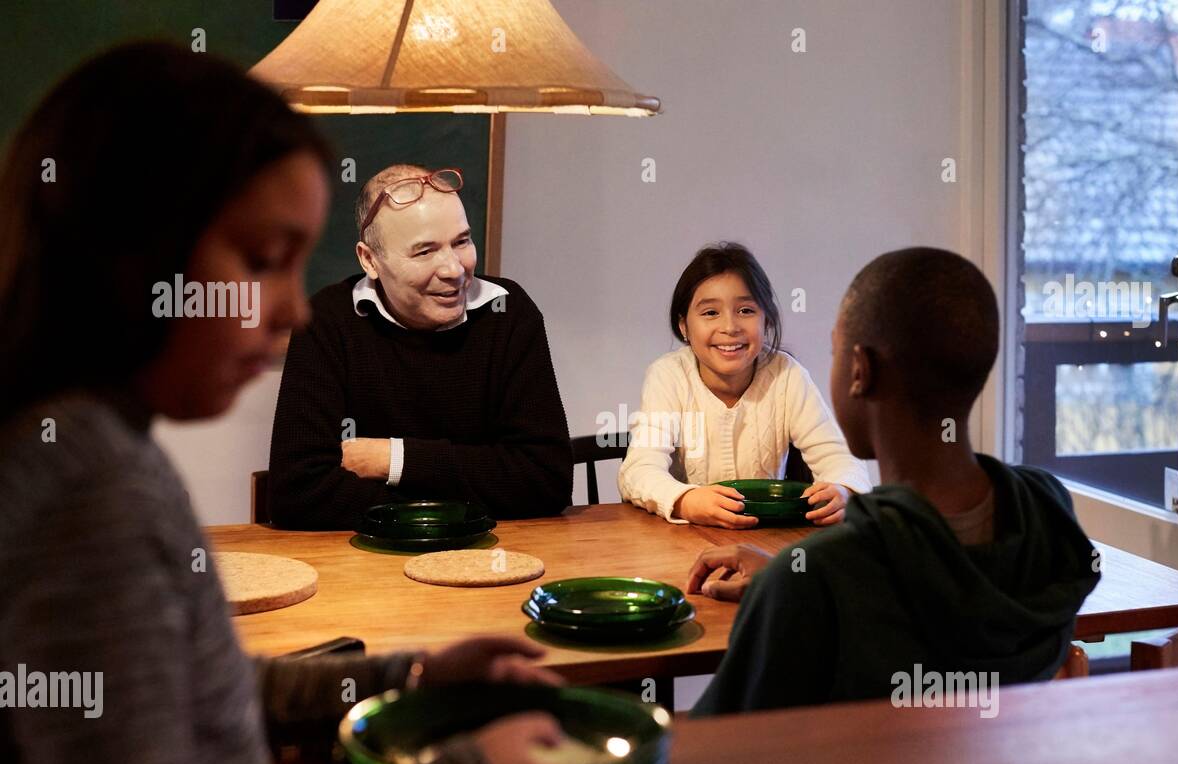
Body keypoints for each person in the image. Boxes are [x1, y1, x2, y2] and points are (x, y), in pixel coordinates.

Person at [0, 41, 631, 764]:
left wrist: (408, 681)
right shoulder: (86, 495)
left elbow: (196, 688)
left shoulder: (86, 447)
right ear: (137, 251)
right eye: (264, 260)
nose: (297, 309)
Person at [686, 247, 1101, 715]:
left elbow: (714, 748)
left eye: (835, 351)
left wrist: (791, 586)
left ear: (861, 371)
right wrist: (790, 577)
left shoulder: (818, 582)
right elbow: (931, 586)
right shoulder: (1045, 513)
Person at [268, 162, 572, 530]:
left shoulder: (508, 311)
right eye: (425, 251)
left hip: (492, 561)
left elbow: (546, 481)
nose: (454, 269)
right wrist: (468, 492)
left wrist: (392, 459)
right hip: (364, 568)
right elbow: (297, 494)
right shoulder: (327, 321)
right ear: (370, 260)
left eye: (461, 241)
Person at [617, 242, 871, 528]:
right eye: (710, 313)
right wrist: (686, 501)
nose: (730, 327)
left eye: (746, 310)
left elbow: (839, 458)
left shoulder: (786, 375)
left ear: (767, 320)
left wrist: (843, 490)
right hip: (690, 541)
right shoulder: (669, 376)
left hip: (768, 543)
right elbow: (638, 470)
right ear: (684, 327)